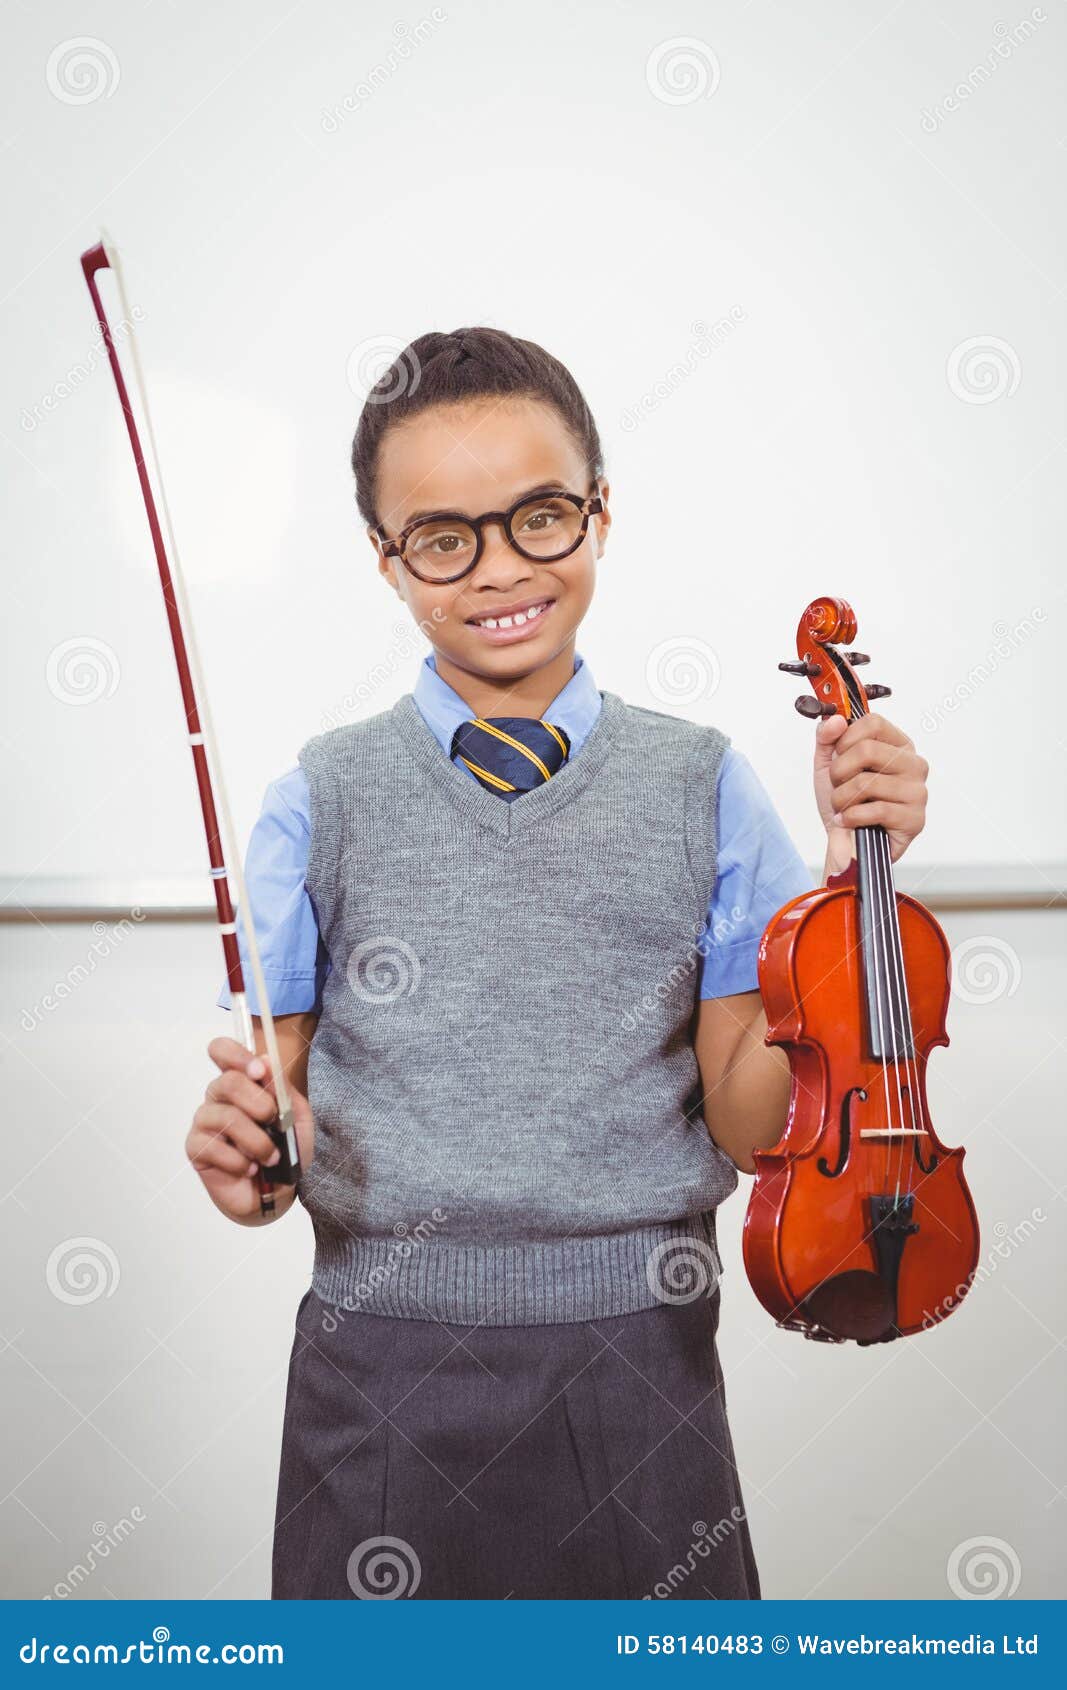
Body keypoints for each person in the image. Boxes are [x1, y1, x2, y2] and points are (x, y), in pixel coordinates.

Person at [185, 328, 929, 1600]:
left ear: (599, 513)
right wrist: (249, 1162)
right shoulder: (319, 798)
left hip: (639, 1359)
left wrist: (845, 882)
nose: (498, 568)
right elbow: (272, 1136)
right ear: (385, 559)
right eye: (442, 537)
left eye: (538, 516)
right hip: (379, 1371)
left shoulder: (702, 784)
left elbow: (752, 1125)